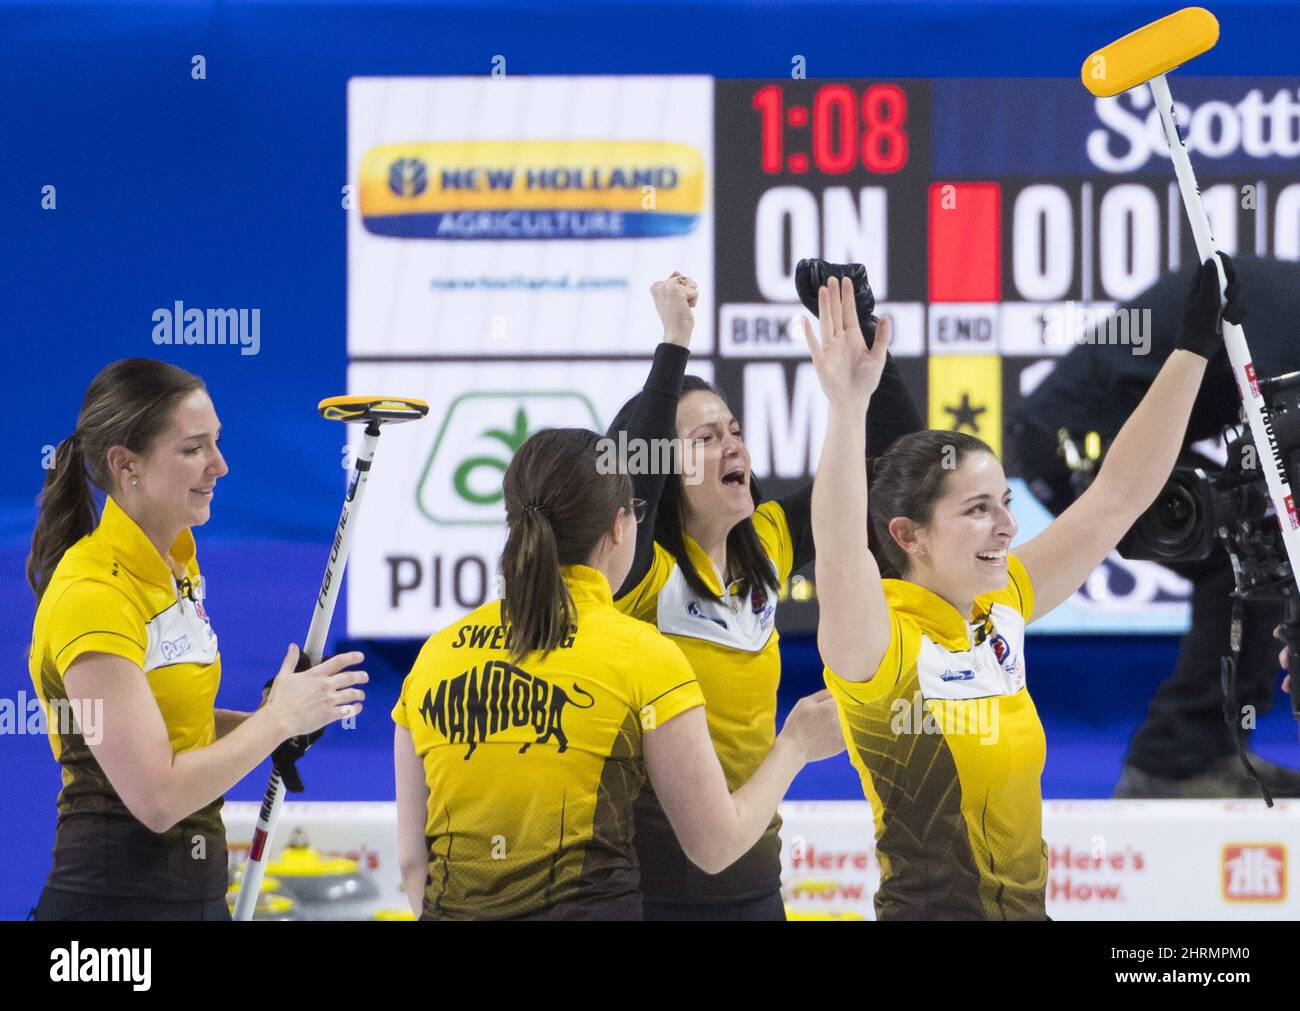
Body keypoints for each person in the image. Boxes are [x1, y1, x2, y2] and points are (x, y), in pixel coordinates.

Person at [806, 259, 1244, 919]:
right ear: (908, 534)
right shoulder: (878, 646)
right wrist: (846, 406)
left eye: (1005, 501)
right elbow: (840, 549)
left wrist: (1192, 347)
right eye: (978, 508)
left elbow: (1116, 496)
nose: (1008, 525)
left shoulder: (1000, 605)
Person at [391, 427, 843, 920]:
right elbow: (715, 846)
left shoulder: (435, 657)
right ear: (618, 527)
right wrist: (795, 744)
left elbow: (415, 863)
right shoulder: (644, 657)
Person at [606, 265, 923, 920]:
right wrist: (675, 341)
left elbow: (897, 470)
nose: (733, 446)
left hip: (755, 883)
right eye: (705, 438)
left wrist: (863, 344)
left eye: (735, 431)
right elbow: (632, 481)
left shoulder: (768, 545)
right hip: (648, 893)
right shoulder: (637, 571)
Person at [27, 358, 368, 921]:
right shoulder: (92, 594)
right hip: (113, 911)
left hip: (194, 896)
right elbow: (157, 799)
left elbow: (175, 731)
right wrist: (273, 723)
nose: (220, 465)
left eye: (217, 442)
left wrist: (279, 716)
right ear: (126, 464)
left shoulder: (177, 566)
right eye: (194, 449)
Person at [1010, 255, 1300, 798]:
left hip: (1119, 433)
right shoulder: (1290, 334)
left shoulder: (1287, 309)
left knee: (1258, 551)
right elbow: (1278, 463)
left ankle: (1204, 752)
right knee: (1251, 556)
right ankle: (1171, 765)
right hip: (1073, 443)